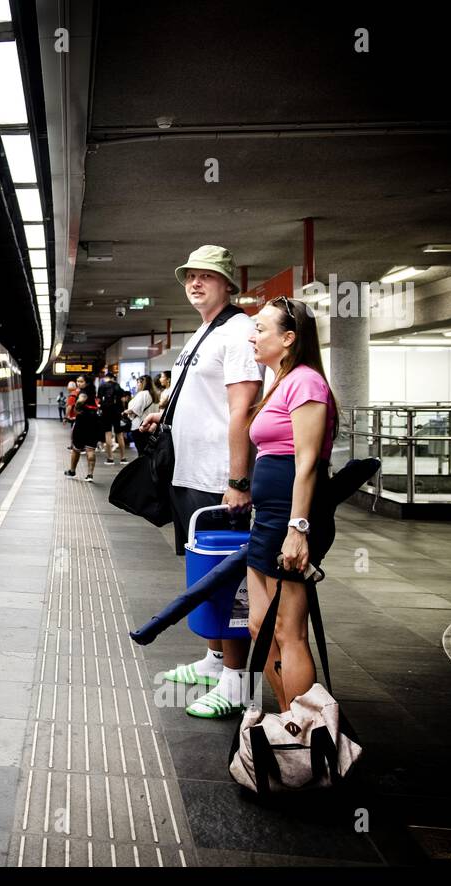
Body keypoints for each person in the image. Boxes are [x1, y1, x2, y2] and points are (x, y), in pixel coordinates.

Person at [138, 245, 263, 718]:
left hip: (218, 477)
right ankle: (214, 662)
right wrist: (159, 412)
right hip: (189, 472)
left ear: (228, 284)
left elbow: (242, 410)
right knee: (202, 575)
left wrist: (238, 478)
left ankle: (236, 685)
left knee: (226, 582)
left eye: (206, 277)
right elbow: (189, 393)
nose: (195, 283)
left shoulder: (239, 331)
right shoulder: (202, 332)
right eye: (189, 276)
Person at [244, 296, 338, 714]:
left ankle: (304, 732)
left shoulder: (306, 382)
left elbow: (307, 462)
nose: (253, 335)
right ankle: (286, 717)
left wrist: (297, 530)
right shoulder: (281, 381)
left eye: (261, 329)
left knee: (289, 631)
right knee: (259, 626)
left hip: (291, 519)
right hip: (268, 517)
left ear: (288, 337)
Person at [66, 393, 102, 481]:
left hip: (80, 427)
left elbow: (76, 410)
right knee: (90, 450)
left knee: (76, 449)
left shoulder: (81, 399)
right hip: (94, 426)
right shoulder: (95, 401)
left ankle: (72, 471)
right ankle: (90, 475)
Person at [126, 374, 160, 455]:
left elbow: (135, 410)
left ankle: (143, 467)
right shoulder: (154, 395)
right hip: (151, 426)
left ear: (142, 383)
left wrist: (126, 412)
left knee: (141, 451)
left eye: (138, 382)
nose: (137, 385)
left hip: (139, 425)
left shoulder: (142, 394)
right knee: (148, 451)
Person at [98, 373, 123, 464]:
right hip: (116, 411)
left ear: (106, 378)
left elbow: (99, 399)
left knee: (108, 433)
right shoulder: (117, 386)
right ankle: (123, 458)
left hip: (106, 411)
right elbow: (122, 398)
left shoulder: (102, 385)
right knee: (119, 434)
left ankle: (110, 458)